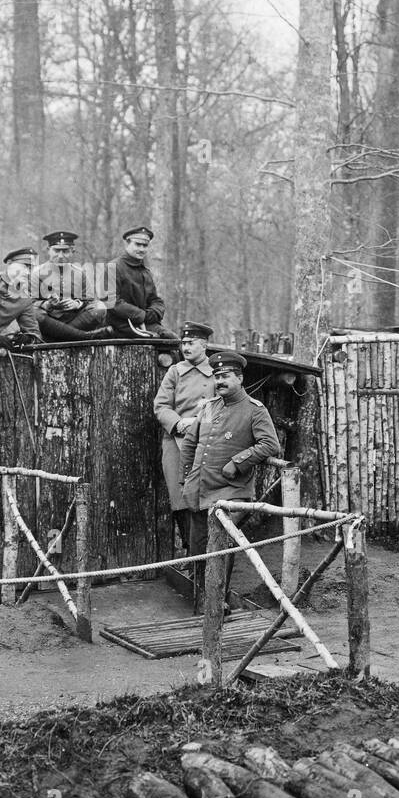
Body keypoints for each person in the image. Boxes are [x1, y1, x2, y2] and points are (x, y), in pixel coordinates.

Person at [179, 351, 281, 609]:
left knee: (221, 547)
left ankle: (217, 601)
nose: (220, 381)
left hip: (230, 493)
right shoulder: (209, 406)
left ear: (240, 378)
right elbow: (191, 442)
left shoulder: (255, 410)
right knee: (198, 549)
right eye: (216, 376)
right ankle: (201, 600)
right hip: (200, 490)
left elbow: (270, 444)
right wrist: (187, 476)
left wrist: (237, 462)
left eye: (226, 376)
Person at [154, 321, 217, 553]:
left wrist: (200, 421)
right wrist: (178, 423)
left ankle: (207, 554)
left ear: (204, 345)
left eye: (191, 343)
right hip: (176, 443)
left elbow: (225, 407)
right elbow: (161, 406)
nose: (185, 347)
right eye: (183, 343)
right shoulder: (175, 372)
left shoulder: (216, 373)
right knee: (179, 498)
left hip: (206, 444)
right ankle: (192, 552)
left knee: (203, 499)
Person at [34, 230, 112, 342]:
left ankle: (54, 338)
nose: (60, 256)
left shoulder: (80, 273)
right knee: (34, 313)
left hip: (74, 320)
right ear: (48, 251)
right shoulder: (36, 273)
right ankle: (83, 336)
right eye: (56, 251)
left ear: (72, 251)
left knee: (100, 307)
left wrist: (77, 304)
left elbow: (89, 300)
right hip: (48, 321)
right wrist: (47, 304)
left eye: (65, 251)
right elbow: (28, 304)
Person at [108, 226, 176, 338]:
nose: (141, 249)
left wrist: (155, 312)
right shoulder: (112, 267)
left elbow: (155, 299)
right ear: (127, 244)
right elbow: (111, 302)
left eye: (145, 246)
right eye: (137, 244)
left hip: (144, 323)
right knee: (168, 339)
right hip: (120, 325)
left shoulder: (145, 272)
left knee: (174, 340)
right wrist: (142, 315)